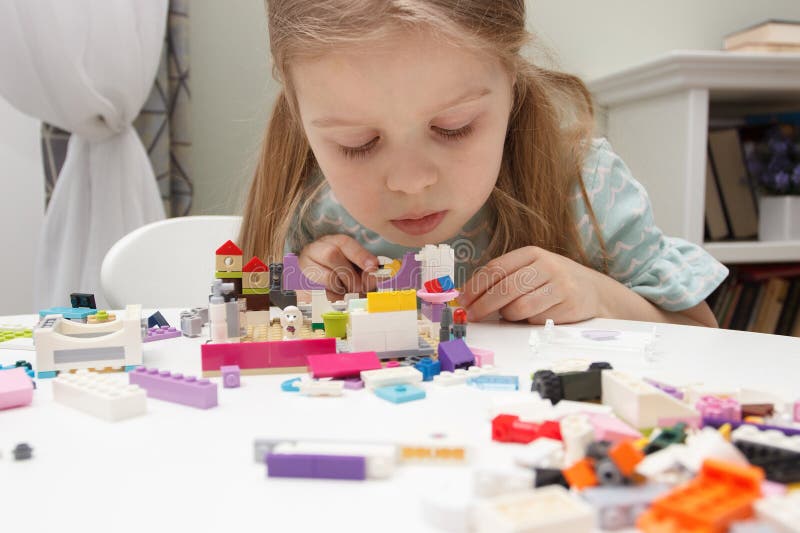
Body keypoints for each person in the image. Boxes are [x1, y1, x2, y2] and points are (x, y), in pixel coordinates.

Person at [239, 0, 727, 327]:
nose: (411, 182)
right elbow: (244, 321)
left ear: (510, 76)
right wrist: (297, 290)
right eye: (357, 143)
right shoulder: (307, 202)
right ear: (298, 112)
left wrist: (600, 297)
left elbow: (702, 333)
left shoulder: (585, 187)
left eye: (454, 127)